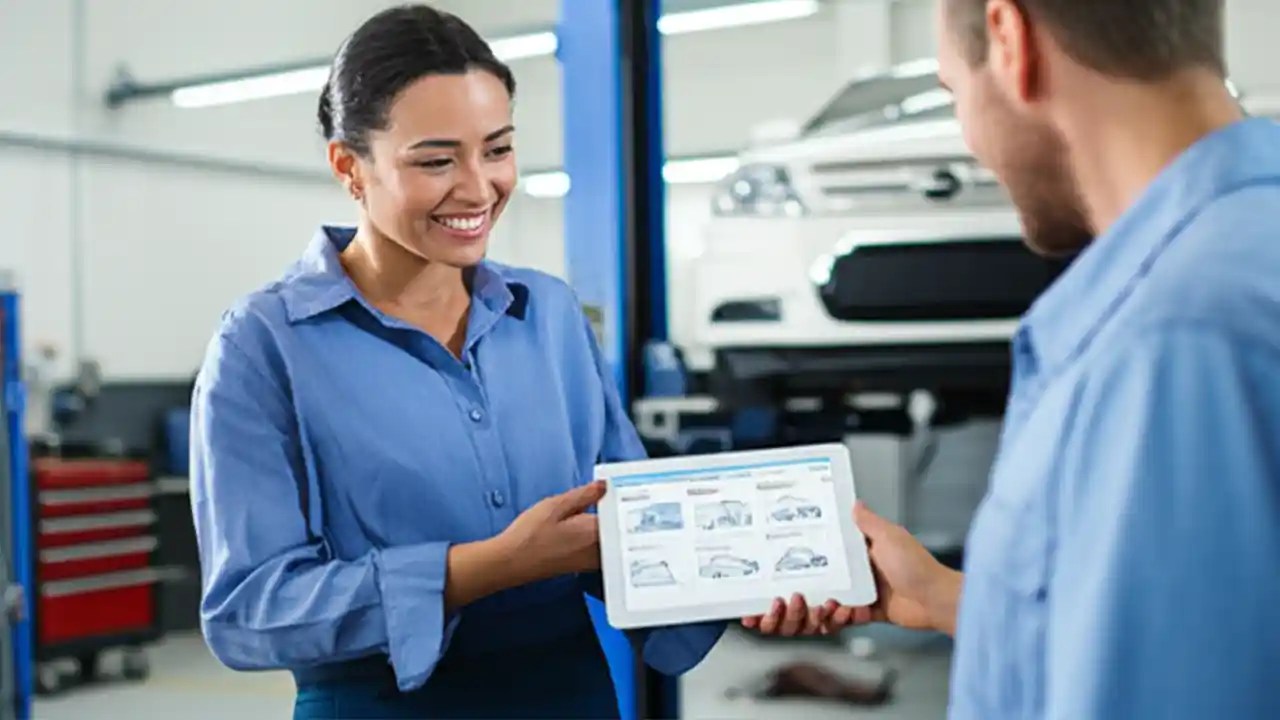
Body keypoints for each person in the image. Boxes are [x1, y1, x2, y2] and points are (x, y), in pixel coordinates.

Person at [187, 6, 723, 718]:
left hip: (572, 698)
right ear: (349, 166)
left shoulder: (550, 314)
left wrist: (773, 576)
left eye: (497, 150)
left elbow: (628, 528)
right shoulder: (264, 345)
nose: (477, 188)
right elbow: (248, 610)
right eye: (436, 161)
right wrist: (488, 567)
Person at [750, 0, 1280, 717]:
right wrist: (949, 599)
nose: (970, 141)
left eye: (953, 93)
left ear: (1009, 40)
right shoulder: (1239, 254)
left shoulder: (1174, 340)